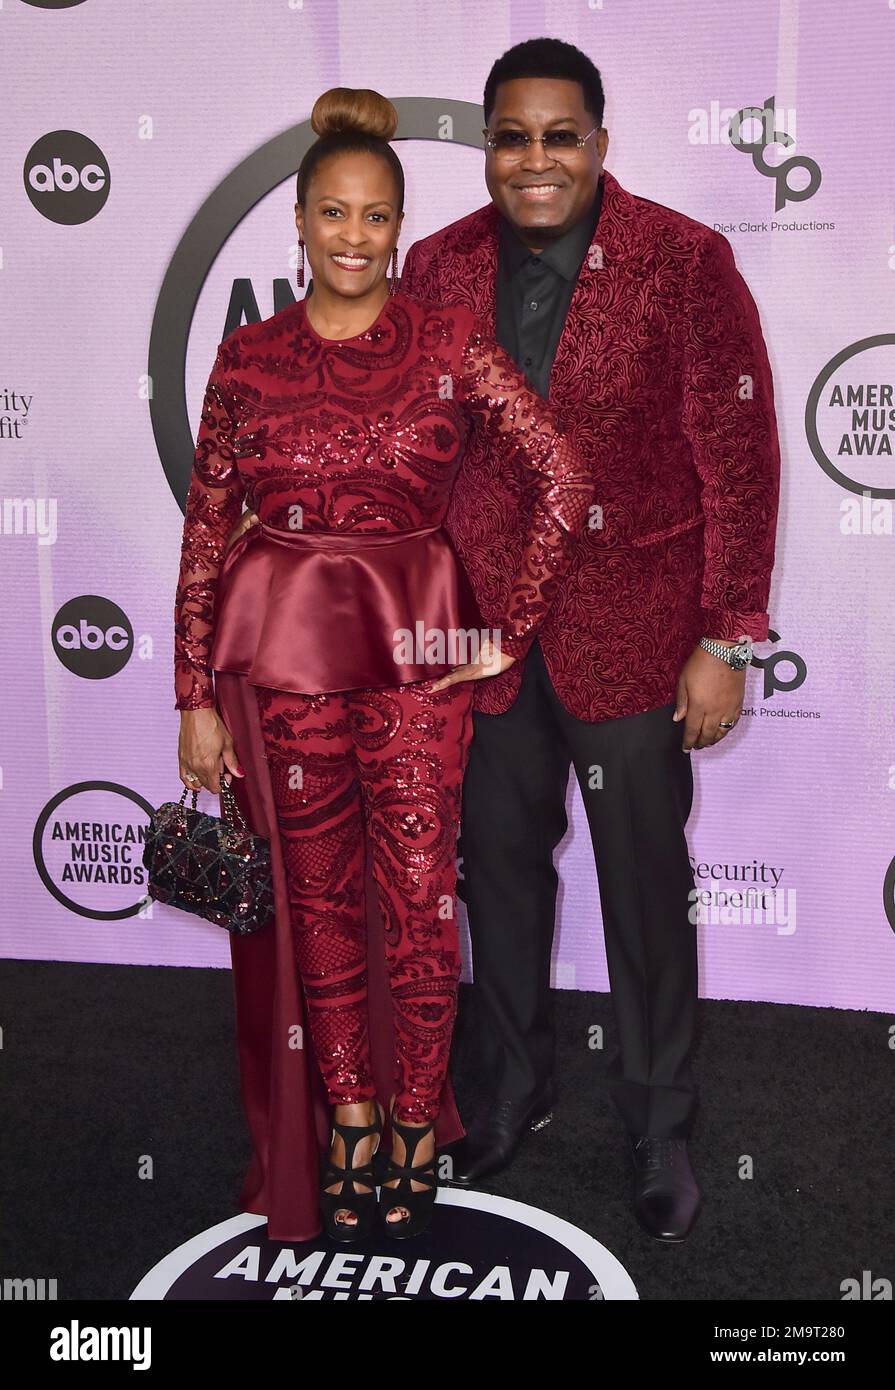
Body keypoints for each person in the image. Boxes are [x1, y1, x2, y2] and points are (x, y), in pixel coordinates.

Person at [173, 86, 594, 1242]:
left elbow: (563, 475)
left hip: (420, 654)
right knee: (316, 900)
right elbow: (208, 530)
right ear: (300, 223)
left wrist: (501, 629)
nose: (353, 237)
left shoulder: (448, 343)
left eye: (375, 218)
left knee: (416, 899)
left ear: (399, 230)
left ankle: (416, 1120)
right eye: (333, 214)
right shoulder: (248, 358)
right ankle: (347, 1119)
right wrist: (192, 696)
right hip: (283, 664)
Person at [399, 39, 781, 1242]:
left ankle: (659, 1127)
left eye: (559, 135)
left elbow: (740, 459)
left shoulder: (682, 261)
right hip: (484, 646)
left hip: (637, 631)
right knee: (496, 880)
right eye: (512, 136)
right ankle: (510, 1096)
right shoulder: (435, 265)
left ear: (599, 143)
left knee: (645, 896)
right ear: (489, 146)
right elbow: (418, 454)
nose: (534, 160)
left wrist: (728, 633)